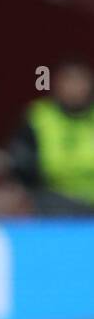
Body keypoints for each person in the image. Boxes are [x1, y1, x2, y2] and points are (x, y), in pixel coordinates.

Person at [9, 58, 94, 214]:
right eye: (69, 80)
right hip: (51, 201)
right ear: (57, 83)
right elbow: (20, 165)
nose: (75, 88)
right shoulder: (39, 116)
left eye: (80, 81)